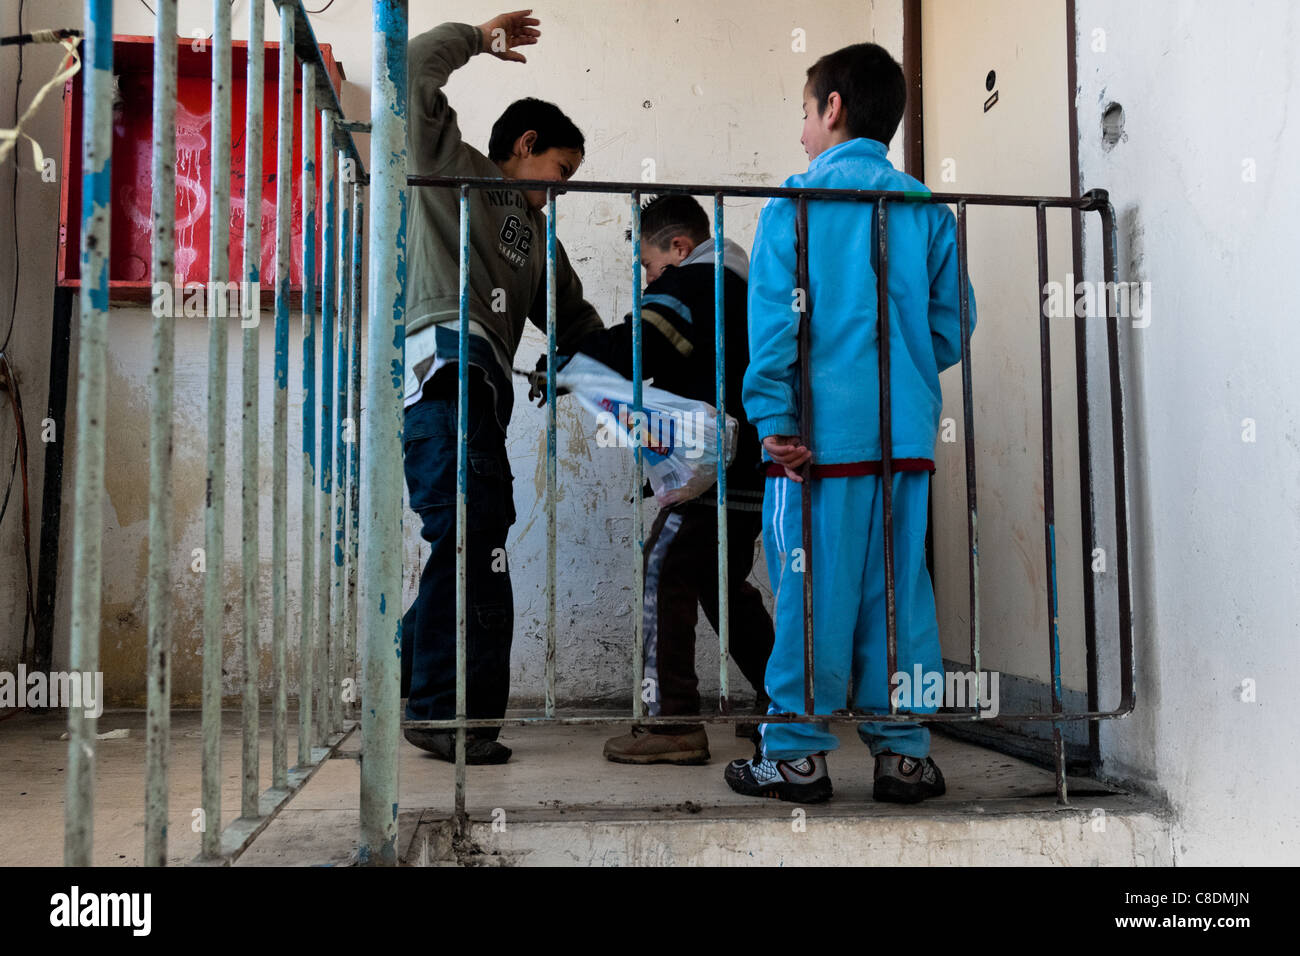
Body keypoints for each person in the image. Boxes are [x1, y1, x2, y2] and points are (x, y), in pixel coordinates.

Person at [724, 42, 976, 803]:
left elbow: (772, 328)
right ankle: (903, 755)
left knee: (808, 590)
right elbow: (950, 328)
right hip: (902, 440)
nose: (802, 130)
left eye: (804, 112)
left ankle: (798, 752)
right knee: (898, 593)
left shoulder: (795, 204)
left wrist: (772, 412)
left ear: (831, 109)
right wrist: (898, 376)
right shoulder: (922, 208)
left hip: (812, 441)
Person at [399, 10, 604, 764]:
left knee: (469, 534)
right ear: (525, 147)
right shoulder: (451, 166)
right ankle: (449, 716)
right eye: (561, 172)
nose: (562, 192)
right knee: (474, 539)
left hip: (481, 389)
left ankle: (400, 678)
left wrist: (604, 357)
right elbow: (411, 68)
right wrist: (478, 39)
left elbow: (580, 323)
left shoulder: (537, 241)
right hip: (442, 372)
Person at [562, 195, 774, 765]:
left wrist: (571, 366)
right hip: (752, 465)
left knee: (664, 564)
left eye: (649, 265)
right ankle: (783, 704)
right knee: (718, 584)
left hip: (714, 472)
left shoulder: (694, 283)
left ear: (679, 248)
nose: (647, 278)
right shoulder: (742, 286)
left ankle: (672, 722)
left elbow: (640, 342)